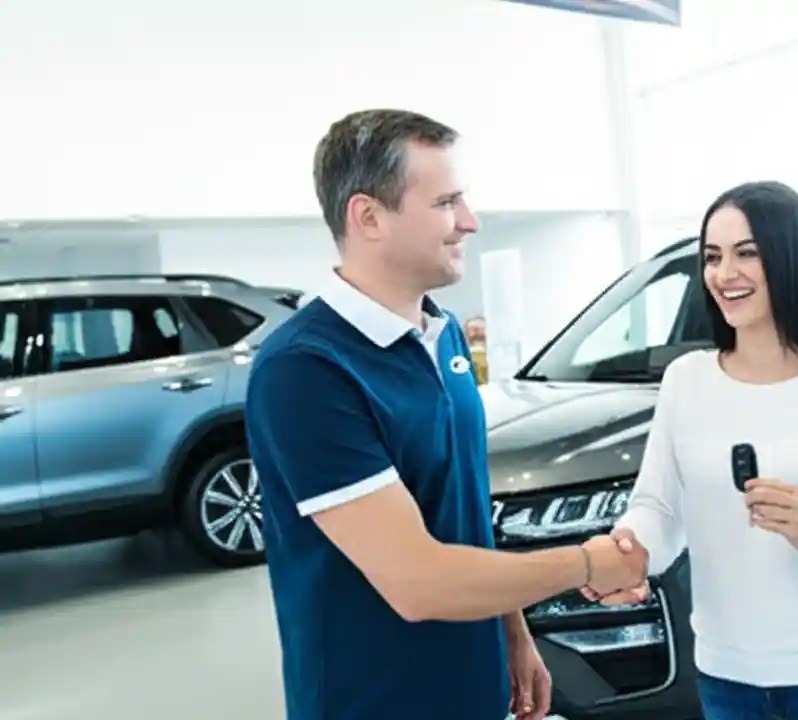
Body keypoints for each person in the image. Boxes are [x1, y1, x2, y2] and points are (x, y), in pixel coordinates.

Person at [244, 109, 646, 720]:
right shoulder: (305, 370)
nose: (470, 222)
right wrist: (588, 563)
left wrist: (512, 633)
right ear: (368, 216)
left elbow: (464, 505)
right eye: (446, 203)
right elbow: (417, 581)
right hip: (375, 701)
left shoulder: (445, 334)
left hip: (473, 686)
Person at [589, 181, 798, 719]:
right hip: (727, 683)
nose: (723, 274)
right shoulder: (686, 381)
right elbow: (660, 509)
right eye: (712, 257)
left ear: (788, 257)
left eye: (747, 253)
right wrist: (629, 550)